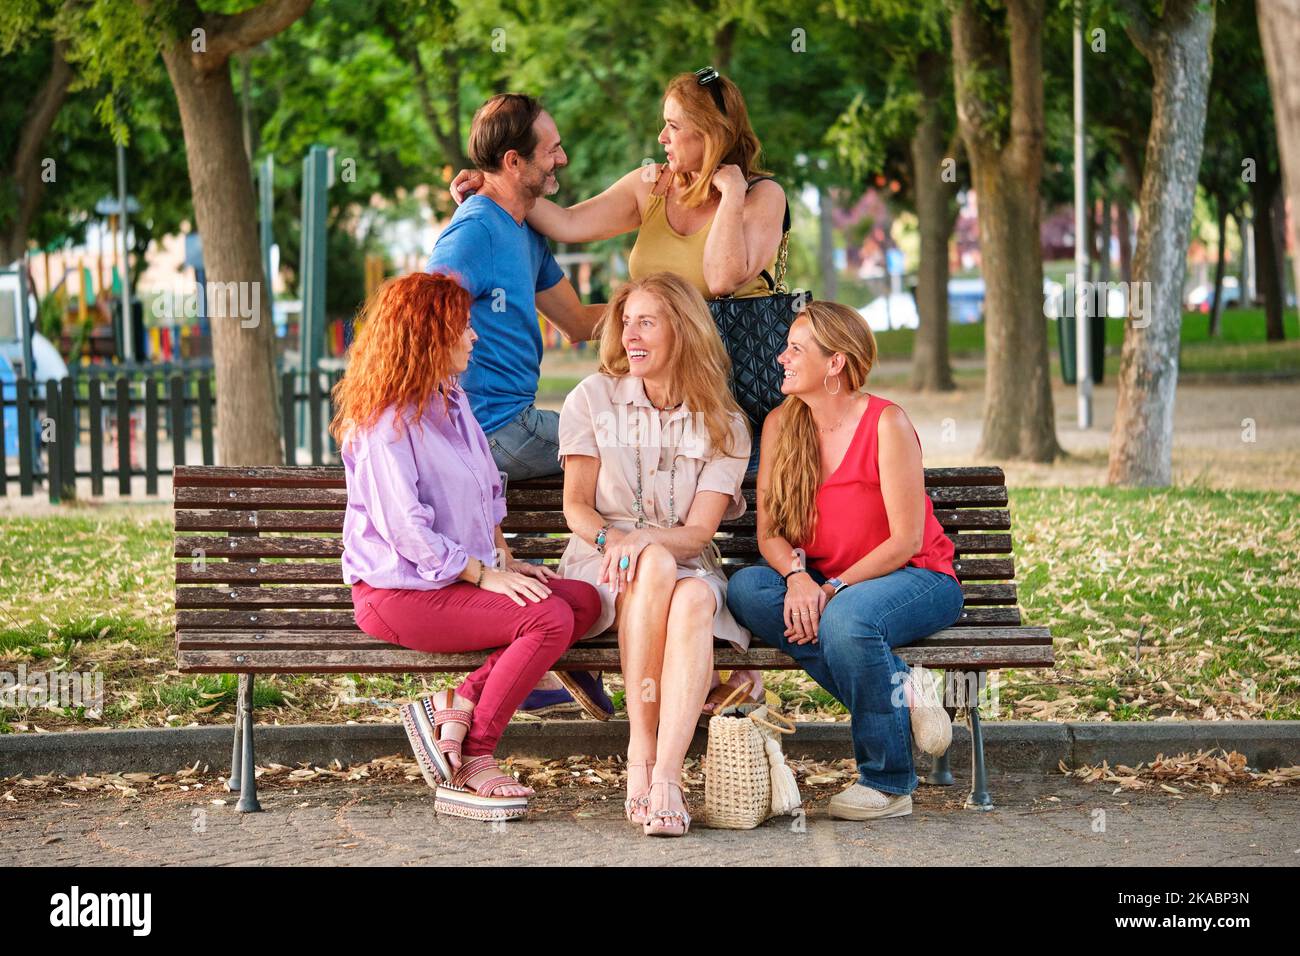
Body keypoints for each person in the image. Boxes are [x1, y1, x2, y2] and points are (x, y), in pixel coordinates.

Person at [452, 68, 786, 716]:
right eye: (663, 123)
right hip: (644, 399)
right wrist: (488, 182)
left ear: (712, 135)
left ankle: (709, 673)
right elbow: (564, 218)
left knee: (692, 537)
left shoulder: (761, 197)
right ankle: (626, 674)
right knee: (621, 484)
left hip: (718, 401)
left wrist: (732, 189)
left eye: (676, 128)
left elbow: (720, 278)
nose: (661, 138)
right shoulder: (648, 188)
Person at [331, 271, 602, 821]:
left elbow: (485, 496)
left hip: (454, 578)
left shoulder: (453, 404)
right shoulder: (384, 425)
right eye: (462, 327)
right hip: (399, 591)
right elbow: (408, 531)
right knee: (547, 620)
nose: (474, 337)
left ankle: (454, 703)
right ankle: (472, 758)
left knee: (586, 603)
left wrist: (503, 560)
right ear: (427, 336)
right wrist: (483, 576)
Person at [726, 300, 964, 821]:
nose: (780, 358)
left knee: (847, 621)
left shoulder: (886, 423)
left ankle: (888, 783)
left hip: (915, 577)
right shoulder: (780, 424)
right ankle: (902, 683)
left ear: (835, 363)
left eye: (795, 348)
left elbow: (905, 539)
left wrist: (829, 588)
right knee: (746, 589)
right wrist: (795, 578)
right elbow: (769, 533)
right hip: (821, 584)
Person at [428, 92, 612, 719]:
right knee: (619, 450)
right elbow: (426, 318)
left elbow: (582, 324)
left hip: (514, 427)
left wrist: (666, 300)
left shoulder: (524, 233)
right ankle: (591, 629)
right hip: (492, 428)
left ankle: (569, 643)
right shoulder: (475, 229)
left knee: (619, 451)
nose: (562, 156)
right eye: (550, 148)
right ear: (513, 160)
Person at [556, 272, 752, 837]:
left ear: (683, 330)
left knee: (688, 593)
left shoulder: (724, 422)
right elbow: (577, 508)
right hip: (601, 563)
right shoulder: (593, 398)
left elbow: (697, 534)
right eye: (626, 322)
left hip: (684, 562)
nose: (631, 335)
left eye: (647, 321)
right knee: (654, 564)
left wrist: (646, 542)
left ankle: (665, 773)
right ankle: (642, 751)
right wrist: (615, 543)